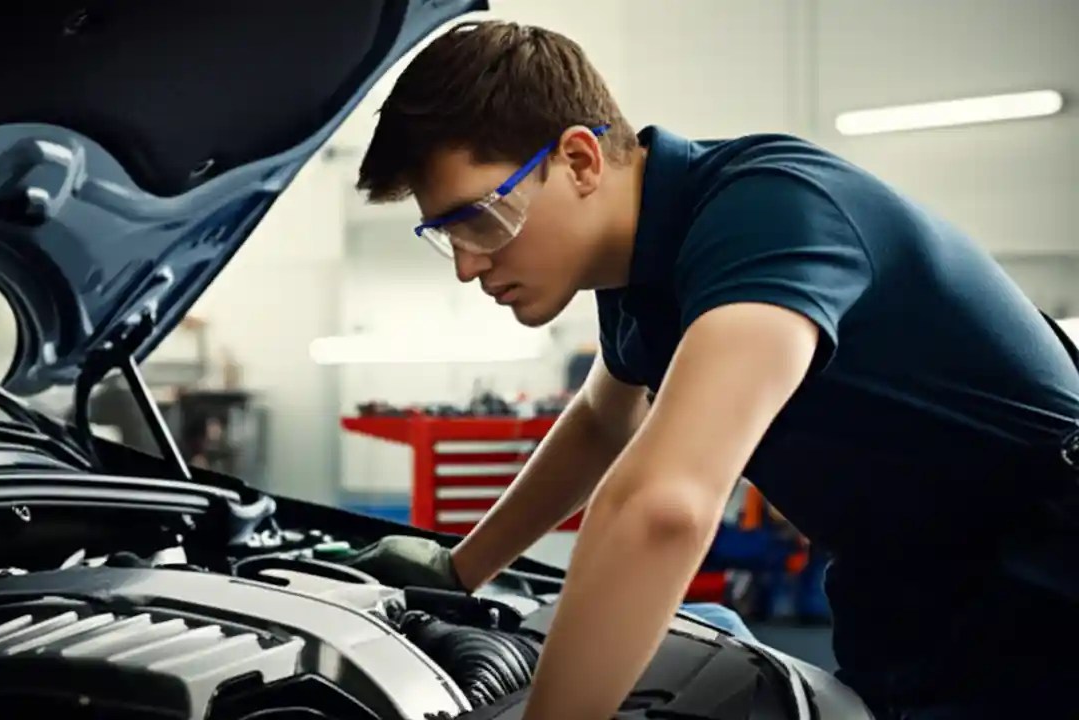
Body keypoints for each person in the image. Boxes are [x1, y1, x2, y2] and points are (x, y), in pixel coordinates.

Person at [338, 19, 1079, 720]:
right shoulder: (637, 275)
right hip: (909, 600)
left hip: (1046, 599)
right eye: (445, 236)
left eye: (481, 219)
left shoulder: (771, 212)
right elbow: (602, 421)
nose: (468, 266)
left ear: (579, 160)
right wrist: (460, 569)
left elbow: (666, 505)